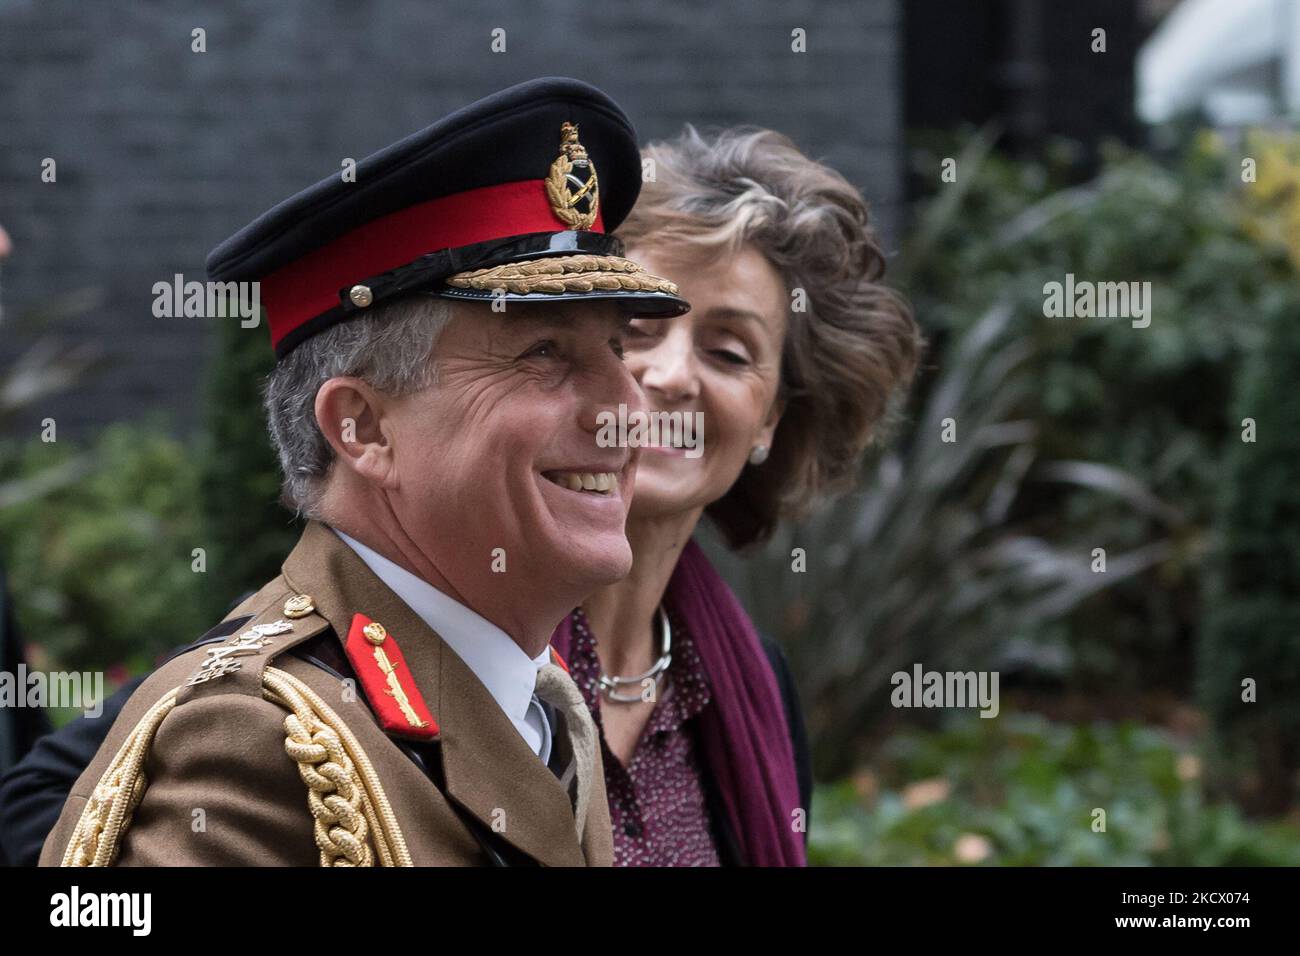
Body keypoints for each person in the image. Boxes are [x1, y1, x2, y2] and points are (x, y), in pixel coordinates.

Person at [35, 76, 689, 867]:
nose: (626, 407)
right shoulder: (247, 742)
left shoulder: (545, 705)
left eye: (618, 350)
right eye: (544, 353)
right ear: (363, 426)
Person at [549, 126, 923, 865]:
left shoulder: (760, 695)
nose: (672, 375)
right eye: (636, 329)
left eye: (727, 352)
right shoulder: (465, 657)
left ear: (770, 420)